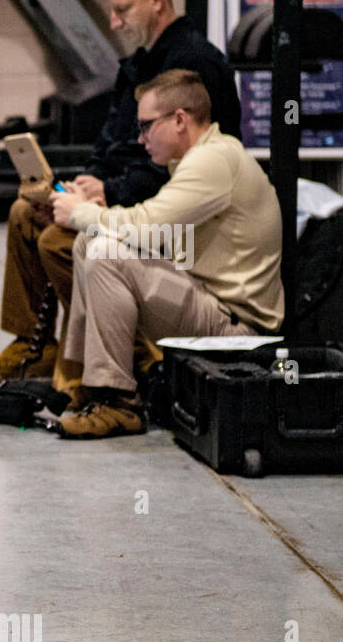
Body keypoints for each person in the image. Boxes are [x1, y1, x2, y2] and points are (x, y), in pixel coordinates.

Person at [0, 0, 243, 383]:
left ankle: (125, 355)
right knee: (25, 214)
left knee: (58, 241)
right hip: (125, 190)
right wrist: (86, 183)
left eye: (122, 10)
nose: (115, 22)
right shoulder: (140, 62)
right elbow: (114, 141)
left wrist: (109, 194)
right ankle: (34, 345)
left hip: (171, 212)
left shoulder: (196, 64)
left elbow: (182, 168)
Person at [49, 69, 282, 439]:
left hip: (237, 327)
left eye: (145, 126)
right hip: (212, 303)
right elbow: (158, 233)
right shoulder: (203, 157)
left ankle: (118, 402)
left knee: (104, 250)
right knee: (89, 244)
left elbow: (147, 224)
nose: (140, 139)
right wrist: (93, 220)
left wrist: (81, 213)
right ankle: (83, 382)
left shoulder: (213, 161)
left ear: (179, 120)